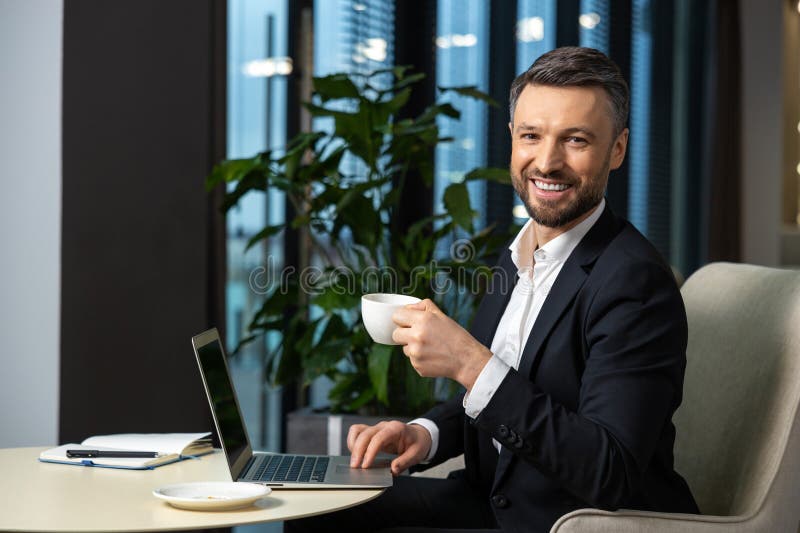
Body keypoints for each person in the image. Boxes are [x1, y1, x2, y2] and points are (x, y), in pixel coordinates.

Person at [286, 46, 699, 533]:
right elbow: (509, 396)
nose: (547, 162)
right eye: (531, 136)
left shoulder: (635, 282)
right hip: (493, 498)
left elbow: (608, 471)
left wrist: (468, 361)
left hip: (565, 521)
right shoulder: (519, 253)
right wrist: (426, 432)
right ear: (511, 139)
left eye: (576, 140)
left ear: (618, 149)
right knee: (317, 508)